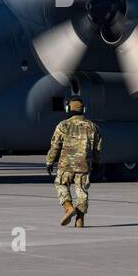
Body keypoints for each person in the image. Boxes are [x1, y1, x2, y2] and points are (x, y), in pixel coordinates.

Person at [46, 96, 102, 228]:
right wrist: (97, 162)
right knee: (82, 191)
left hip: (66, 165)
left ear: (68, 108)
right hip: (84, 165)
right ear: (83, 109)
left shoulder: (63, 125)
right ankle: (80, 220)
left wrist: (49, 161)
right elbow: (97, 149)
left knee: (61, 184)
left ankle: (68, 207)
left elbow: (55, 146)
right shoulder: (93, 127)